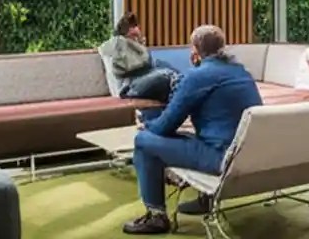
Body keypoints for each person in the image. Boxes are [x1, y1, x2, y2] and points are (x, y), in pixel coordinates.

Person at [122, 25, 262, 235]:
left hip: (222, 157)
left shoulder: (197, 76)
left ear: (194, 51)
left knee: (144, 141)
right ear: (222, 47)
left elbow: (165, 126)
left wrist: (146, 124)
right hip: (250, 154)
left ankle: (156, 216)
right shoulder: (241, 72)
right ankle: (206, 199)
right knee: (194, 136)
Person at [99, 13, 178, 101]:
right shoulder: (118, 44)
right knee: (166, 74)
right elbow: (130, 67)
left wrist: (139, 46)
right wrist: (140, 46)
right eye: (132, 27)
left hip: (139, 82)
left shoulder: (133, 47)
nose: (136, 29)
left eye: (135, 26)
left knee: (166, 69)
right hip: (127, 88)